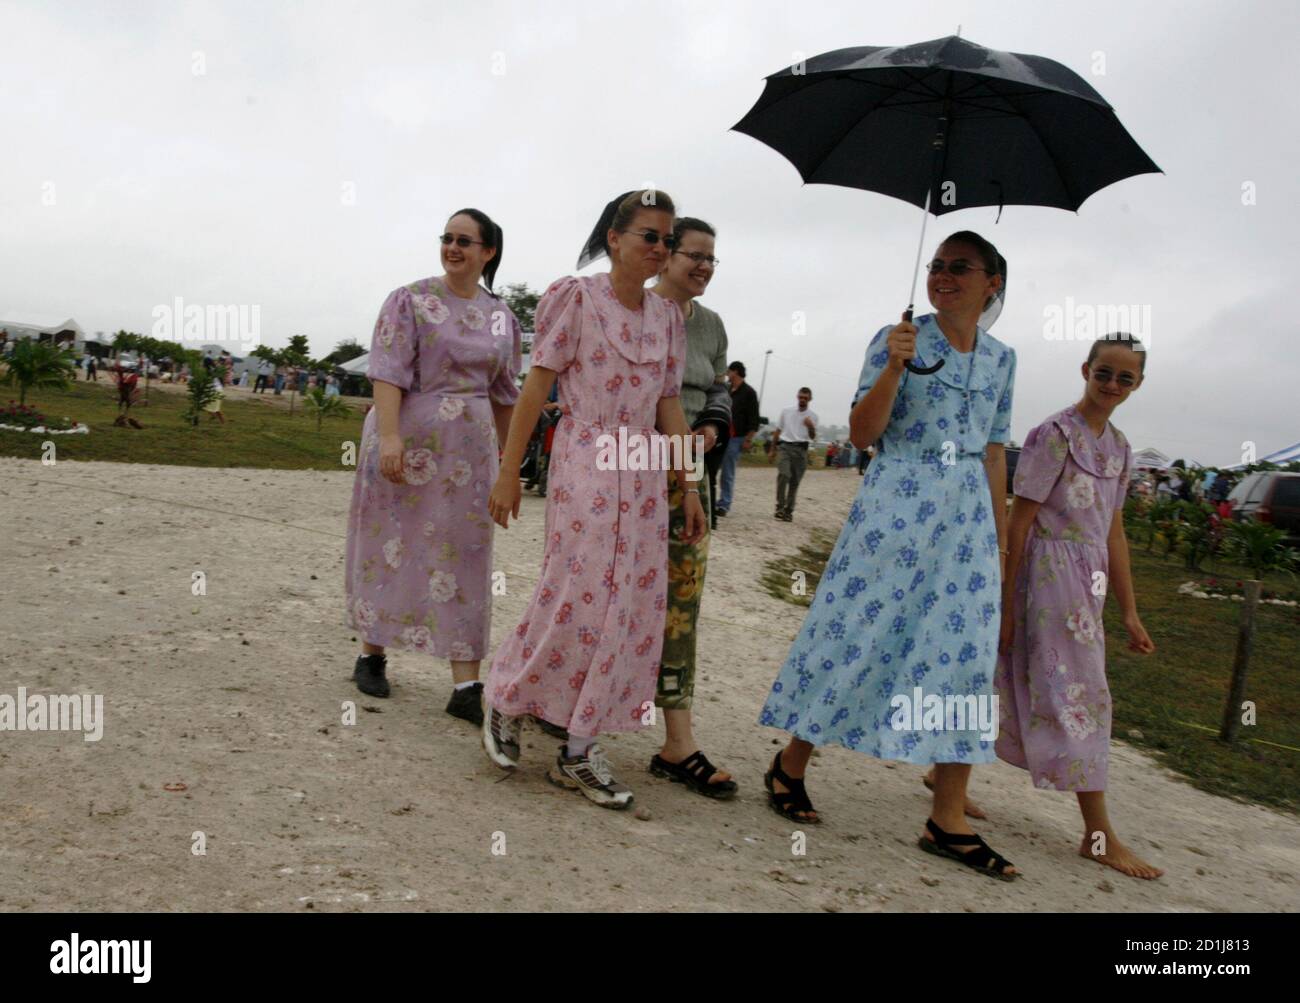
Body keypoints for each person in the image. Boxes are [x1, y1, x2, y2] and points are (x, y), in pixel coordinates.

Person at [758, 230, 1019, 879]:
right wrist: (897, 366)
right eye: (937, 264)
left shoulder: (1002, 360)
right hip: (895, 510)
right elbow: (862, 432)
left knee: (965, 660)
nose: (944, 275)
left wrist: (1000, 539)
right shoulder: (895, 338)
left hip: (966, 527)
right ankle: (790, 762)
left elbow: (993, 450)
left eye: (961, 267)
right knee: (855, 634)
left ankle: (947, 816)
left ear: (992, 283)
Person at [483, 190, 702, 810]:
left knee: (630, 606)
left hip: (644, 468)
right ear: (614, 238)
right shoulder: (575, 297)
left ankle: (579, 748)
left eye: (667, 239)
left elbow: (669, 407)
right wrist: (509, 471)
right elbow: (536, 386)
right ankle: (504, 696)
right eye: (649, 236)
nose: (660, 249)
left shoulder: (667, 320)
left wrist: (687, 484)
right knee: (577, 592)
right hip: (586, 455)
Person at [344, 208, 521, 727]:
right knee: (391, 545)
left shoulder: (501, 316)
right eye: (447, 238)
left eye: (465, 241)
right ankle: (371, 654)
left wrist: (510, 461)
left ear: (487, 252)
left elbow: (506, 392)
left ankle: (465, 683)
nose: (452, 247)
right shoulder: (410, 299)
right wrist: (391, 438)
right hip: (407, 436)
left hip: (469, 452)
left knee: (465, 554)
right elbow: (388, 371)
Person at [996, 334, 1162, 879]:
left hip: (1085, 590)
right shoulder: (1053, 434)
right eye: (1104, 373)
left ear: (1137, 386)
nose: (1112, 385)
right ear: (1085, 370)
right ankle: (1097, 834)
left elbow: (1113, 533)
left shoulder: (1119, 447)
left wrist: (1129, 611)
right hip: (1042, 582)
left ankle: (940, 778)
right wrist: (1006, 600)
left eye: (1125, 378)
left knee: (1016, 679)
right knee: (1082, 696)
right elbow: (1021, 518)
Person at [646, 215, 738, 800]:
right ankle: (571, 714)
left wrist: (708, 428)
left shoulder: (711, 325)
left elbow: (721, 389)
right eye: (694, 255)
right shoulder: (635, 310)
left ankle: (677, 741)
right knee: (614, 589)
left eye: (712, 258)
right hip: (632, 467)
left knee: (681, 604)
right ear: (665, 253)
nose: (703, 266)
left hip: (692, 474)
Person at [717, 361, 759, 517]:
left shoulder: (749, 393)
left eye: (729, 370)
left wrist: (748, 439)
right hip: (720, 434)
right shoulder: (725, 390)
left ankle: (724, 504)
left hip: (736, 438)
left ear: (735, 371)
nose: (727, 373)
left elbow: (754, 419)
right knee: (711, 468)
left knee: (728, 472)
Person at [769, 387, 817, 521]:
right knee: (784, 475)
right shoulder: (786, 412)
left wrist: (811, 426)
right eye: (800, 397)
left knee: (795, 482)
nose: (802, 400)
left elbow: (812, 436)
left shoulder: (813, 416)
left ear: (810, 399)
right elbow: (778, 431)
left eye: (805, 398)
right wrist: (772, 450)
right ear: (797, 397)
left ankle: (788, 511)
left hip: (801, 450)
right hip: (785, 447)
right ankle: (779, 507)